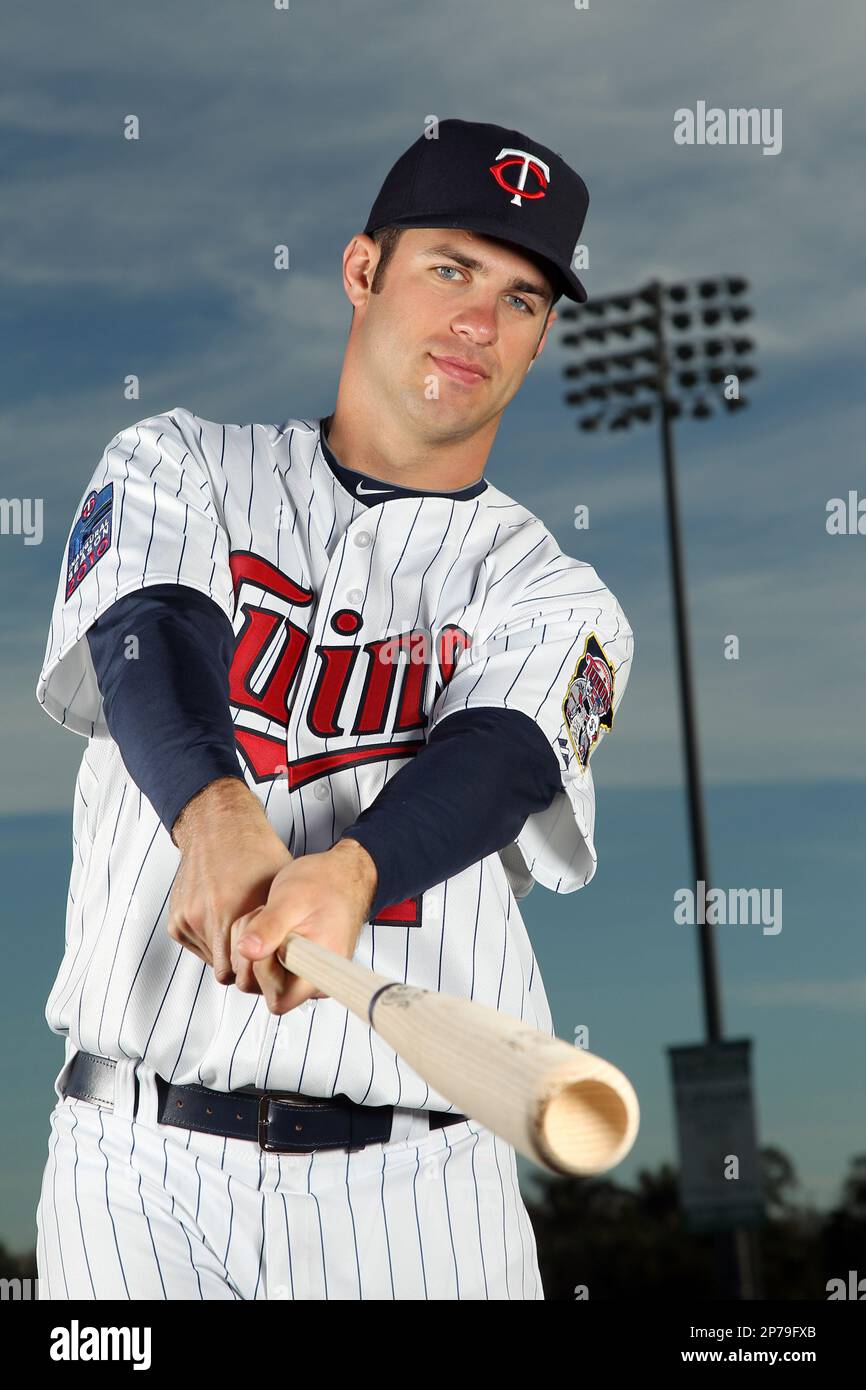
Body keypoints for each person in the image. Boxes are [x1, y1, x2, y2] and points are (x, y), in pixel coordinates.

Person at [34, 117, 634, 1300]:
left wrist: (351, 870)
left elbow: (501, 755)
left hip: (417, 1195)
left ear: (541, 337)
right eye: (450, 268)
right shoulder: (181, 464)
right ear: (363, 271)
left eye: (519, 299)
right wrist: (213, 813)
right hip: (129, 1168)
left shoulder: (556, 592)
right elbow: (144, 628)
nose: (477, 320)